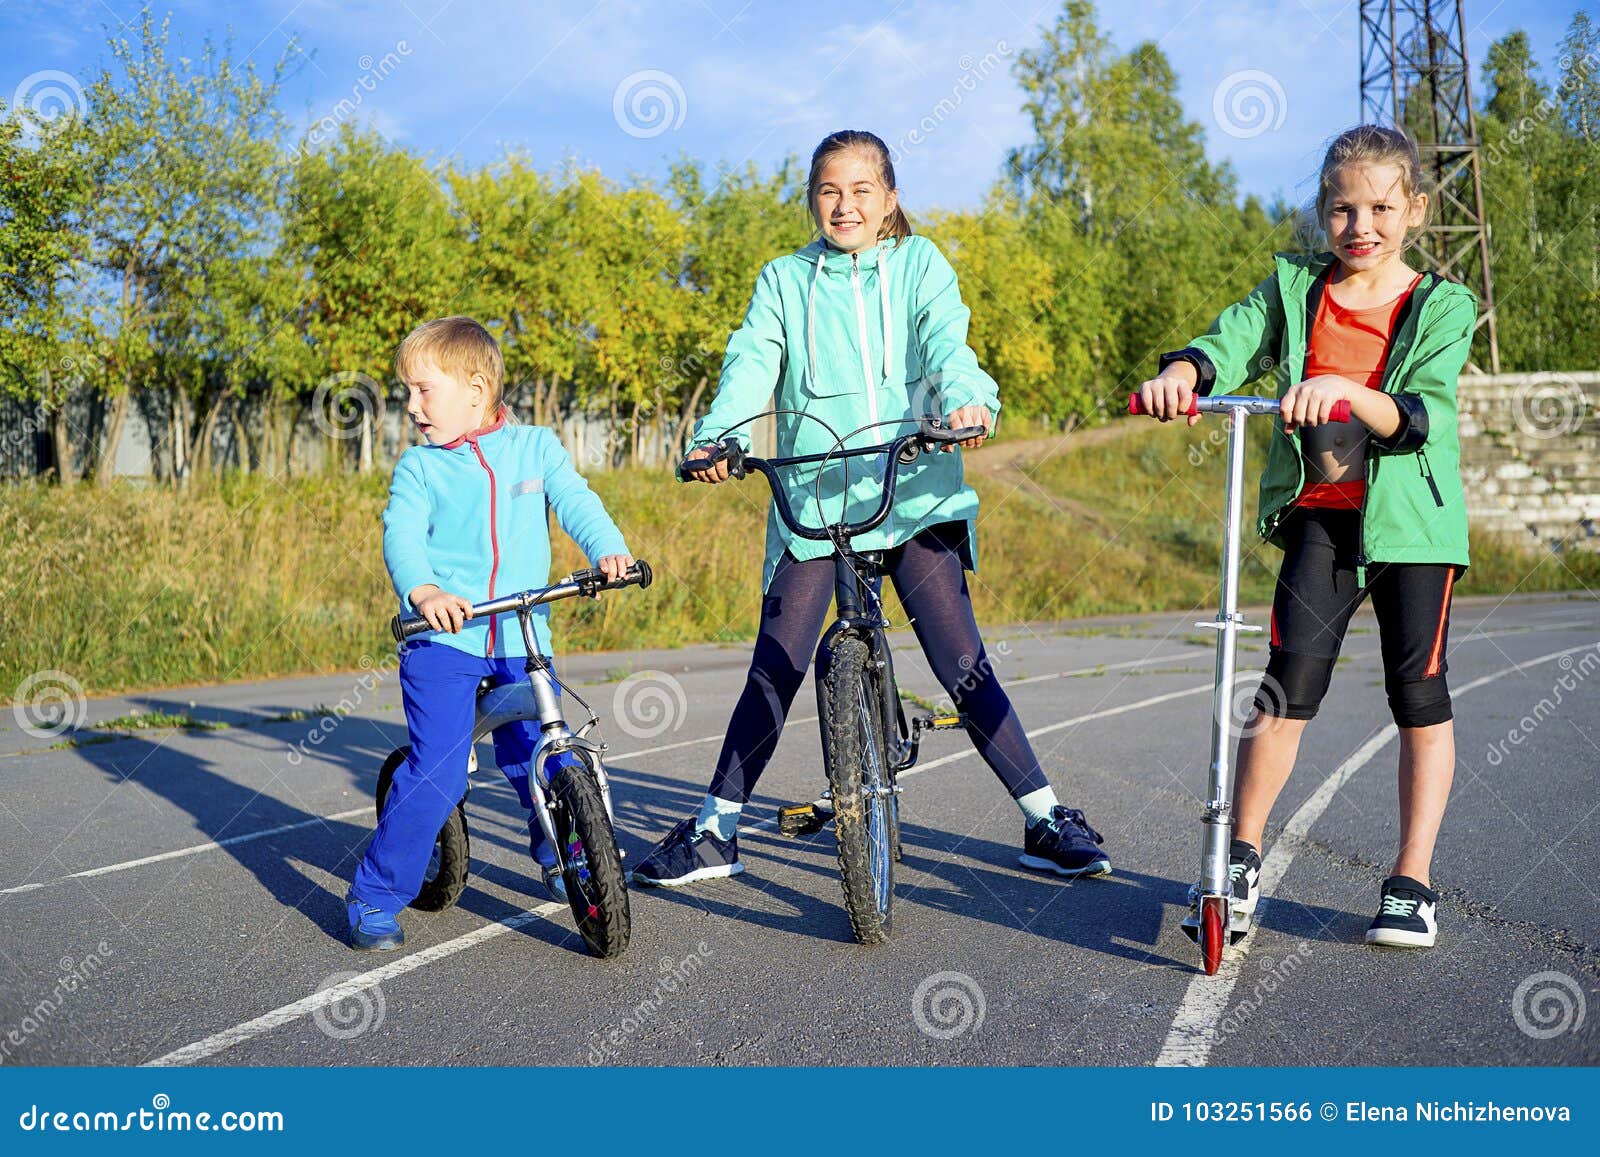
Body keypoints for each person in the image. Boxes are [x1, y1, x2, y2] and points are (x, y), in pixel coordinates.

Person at [632, 129, 1110, 890]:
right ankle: (717, 830)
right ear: (811, 200)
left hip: (914, 488)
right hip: (815, 497)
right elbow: (751, 361)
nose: (844, 204)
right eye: (829, 190)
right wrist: (720, 436)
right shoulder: (784, 280)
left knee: (960, 662)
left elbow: (947, 344)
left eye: (861, 189)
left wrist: (966, 401)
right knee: (777, 662)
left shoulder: (920, 264)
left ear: (890, 199)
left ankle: (1046, 817)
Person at [1136, 125, 1476, 948]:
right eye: (1342, 209)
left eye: (1382, 208)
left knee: (1417, 693)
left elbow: (1417, 416)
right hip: (1322, 514)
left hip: (1414, 527)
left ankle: (1412, 882)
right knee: (1285, 685)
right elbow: (1230, 342)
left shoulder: (1442, 303)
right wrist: (1184, 372)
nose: (1362, 226)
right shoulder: (1294, 287)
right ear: (1322, 213)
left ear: (1415, 210)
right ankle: (1239, 857)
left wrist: (1342, 390)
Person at [346, 316, 634, 950]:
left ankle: (564, 857)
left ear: (476, 391)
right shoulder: (420, 469)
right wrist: (425, 592)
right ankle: (373, 891)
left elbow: (575, 500)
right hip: (443, 636)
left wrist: (608, 549)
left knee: (539, 746)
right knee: (442, 773)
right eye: (408, 393)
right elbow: (401, 535)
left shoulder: (536, 447)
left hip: (521, 630)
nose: (413, 406)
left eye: (425, 390)